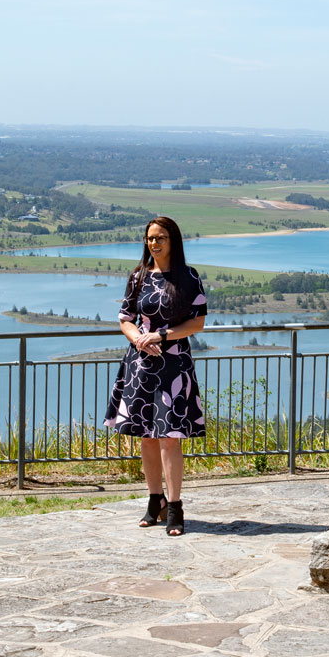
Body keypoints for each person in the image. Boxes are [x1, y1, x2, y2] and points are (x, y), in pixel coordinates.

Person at [102, 215, 208, 536]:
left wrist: (160, 336)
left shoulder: (188, 277)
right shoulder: (138, 277)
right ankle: (154, 501)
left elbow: (197, 323)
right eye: (150, 238)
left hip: (174, 364)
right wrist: (137, 338)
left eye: (160, 238)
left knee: (170, 438)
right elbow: (125, 318)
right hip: (141, 366)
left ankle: (175, 507)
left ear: (172, 241)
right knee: (147, 438)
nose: (155, 243)